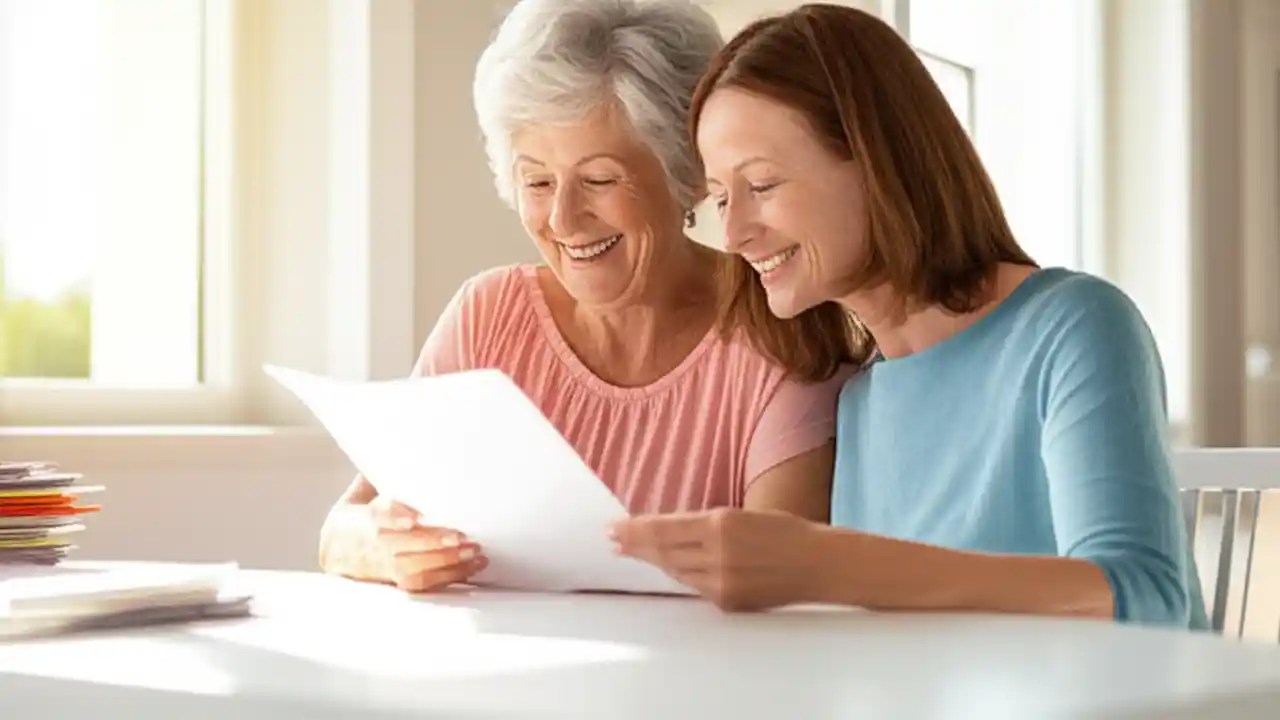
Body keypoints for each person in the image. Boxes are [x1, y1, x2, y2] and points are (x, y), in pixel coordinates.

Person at [611, 3, 1207, 629]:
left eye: (761, 186)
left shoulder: (1074, 328)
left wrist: (832, 565)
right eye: (722, 198)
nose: (732, 234)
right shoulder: (858, 394)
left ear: (877, 160)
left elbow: (1145, 596)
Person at [317, 0, 860, 594]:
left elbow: (777, 582)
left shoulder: (780, 320)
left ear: (684, 172)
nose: (564, 218)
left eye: (600, 180)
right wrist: (384, 547)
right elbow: (341, 528)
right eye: (538, 182)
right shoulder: (488, 315)